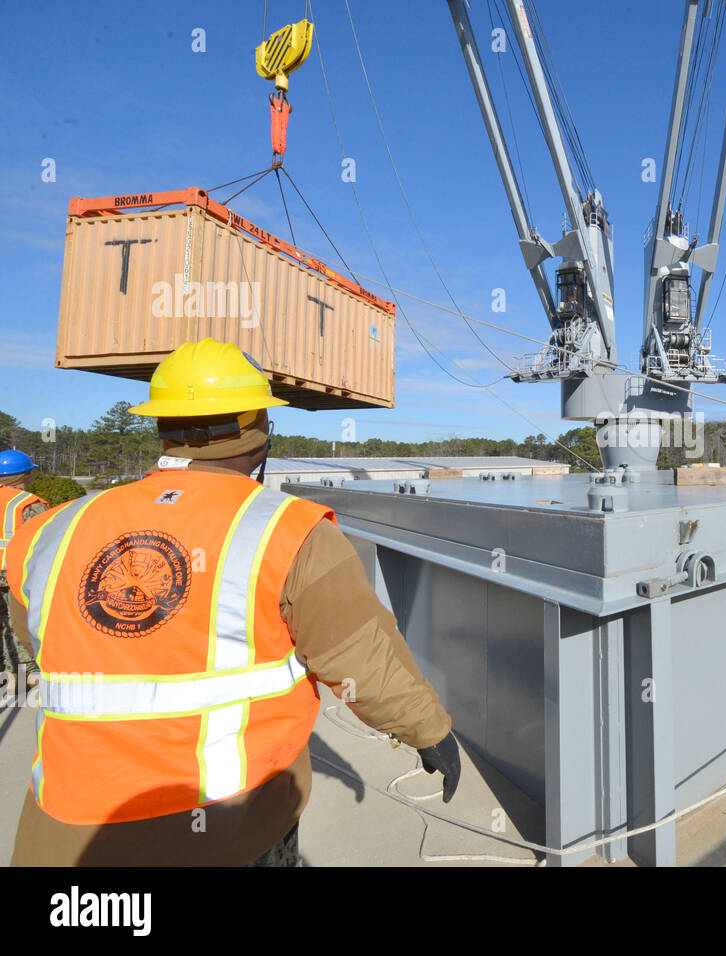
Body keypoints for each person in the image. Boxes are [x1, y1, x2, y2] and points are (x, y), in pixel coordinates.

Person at [4, 339, 461, 866]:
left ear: (162, 426)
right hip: (224, 824)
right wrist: (428, 731)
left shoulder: (50, 530)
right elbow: (360, 656)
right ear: (259, 428)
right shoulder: (288, 529)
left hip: (68, 830)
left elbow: (40, 640)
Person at [0, 450, 47, 695]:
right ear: (24, 475)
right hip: (12, 571)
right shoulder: (28, 504)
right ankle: (21, 674)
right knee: (19, 623)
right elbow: (44, 539)